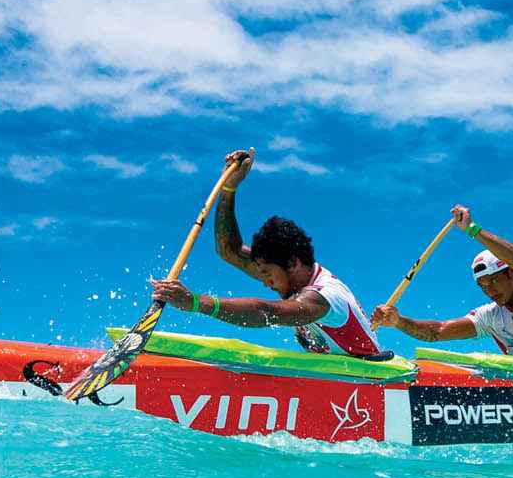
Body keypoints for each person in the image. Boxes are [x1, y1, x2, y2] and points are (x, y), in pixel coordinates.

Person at [150, 148, 390, 359]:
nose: (264, 282)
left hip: (373, 383)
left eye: (267, 274)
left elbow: (267, 312)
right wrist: (228, 188)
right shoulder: (292, 276)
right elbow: (229, 250)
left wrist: (195, 302)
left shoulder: (324, 297)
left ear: (293, 263)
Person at [369, 206, 513, 358]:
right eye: (482, 287)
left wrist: (473, 229)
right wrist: (398, 321)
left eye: (492, 282)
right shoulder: (490, 316)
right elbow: (438, 331)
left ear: (511, 272)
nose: (488, 291)